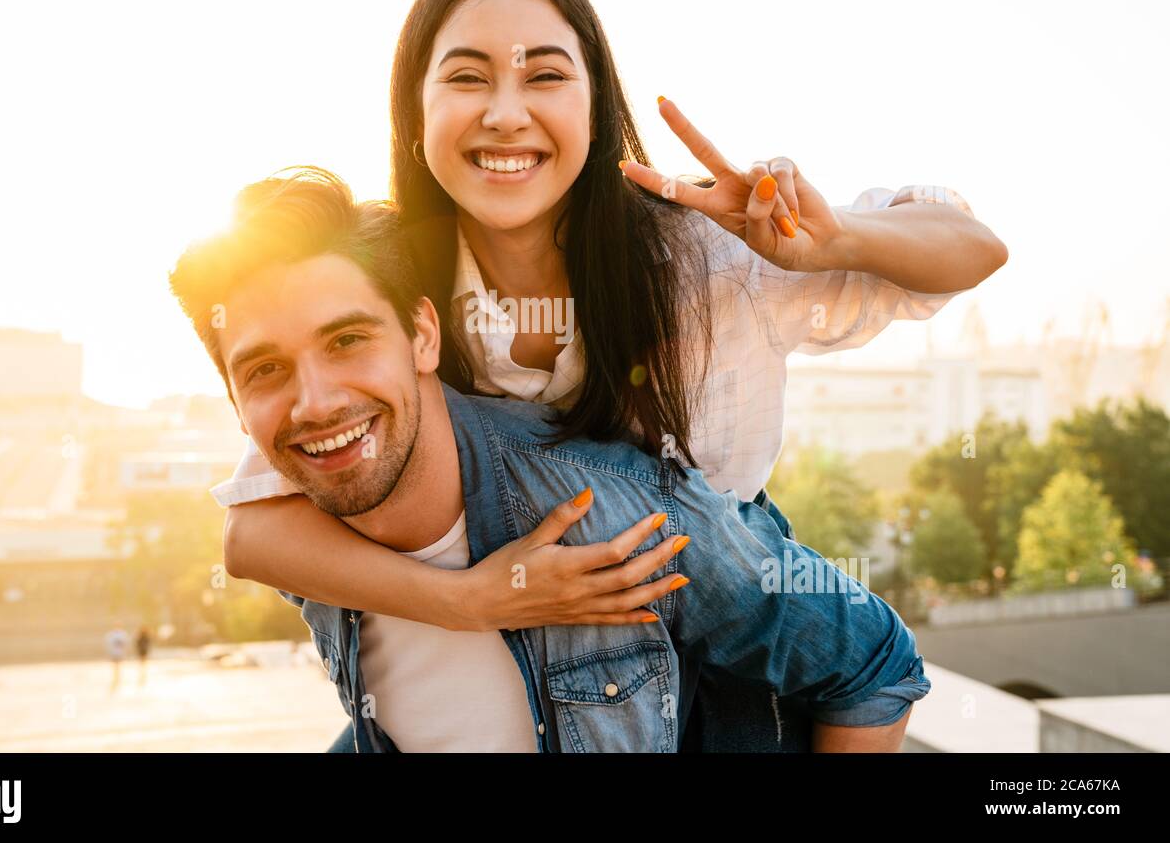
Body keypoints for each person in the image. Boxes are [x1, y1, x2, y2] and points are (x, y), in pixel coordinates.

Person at [212, 0, 1006, 750]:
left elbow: (975, 249)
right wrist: (475, 599)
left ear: (596, 108)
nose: (506, 113)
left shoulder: (706, 254)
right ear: (415, 119)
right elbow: (254, 530)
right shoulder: (382, 288)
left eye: (546, 76)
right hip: (527, 663)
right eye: (466, 78)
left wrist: (833, 242)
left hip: (729, 652)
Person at [168, 166, 931, 752]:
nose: (316, 403)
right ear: (236, 403)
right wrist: (470, 600)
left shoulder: (614, 519)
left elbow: (872, 659)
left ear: (424, 335)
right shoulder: (309, 521)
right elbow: (244, 543)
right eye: (265, 369)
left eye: (347, 340)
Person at [104, 625, 129, 692]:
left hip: (119, 653)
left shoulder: (122, 634)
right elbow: (109, 644)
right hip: (114, 653)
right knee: (115, 665)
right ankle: (116, 675)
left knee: (118, 665)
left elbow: (125, 643)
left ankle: (118, 676)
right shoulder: (111, 635)